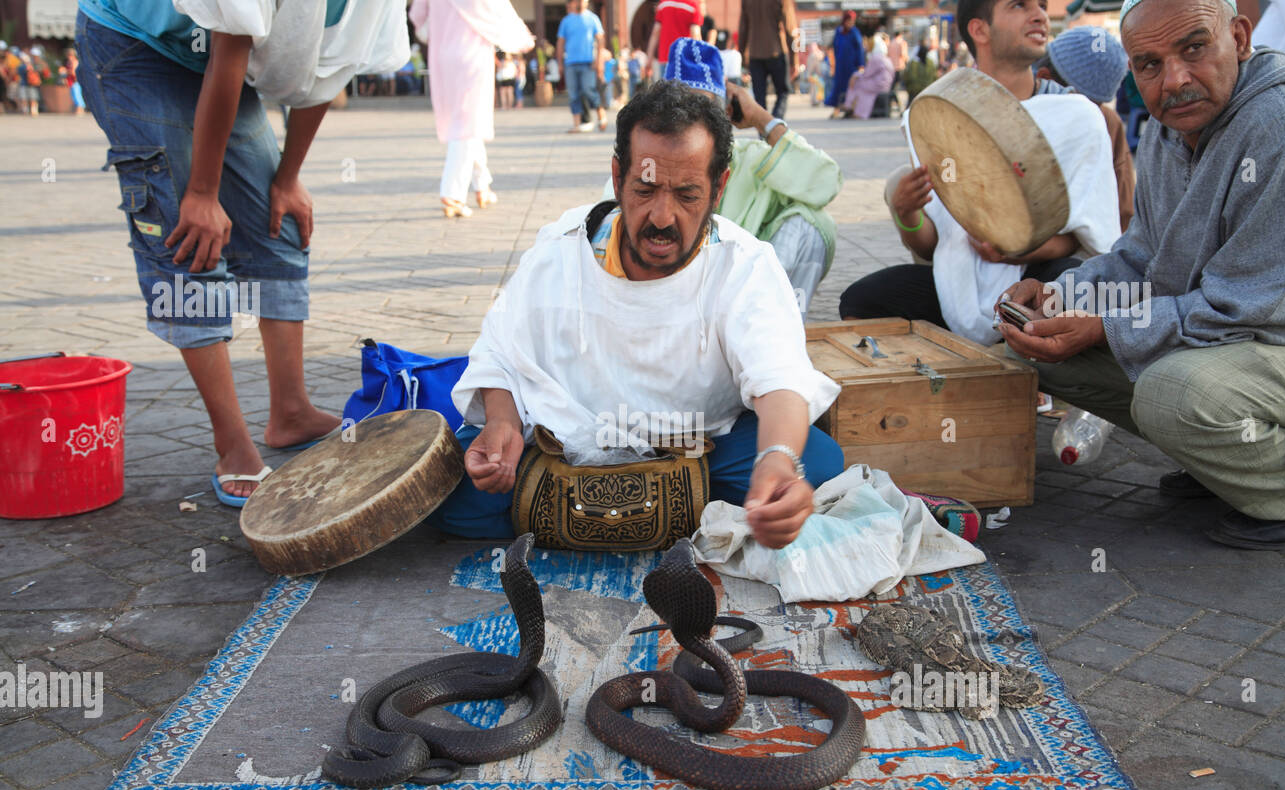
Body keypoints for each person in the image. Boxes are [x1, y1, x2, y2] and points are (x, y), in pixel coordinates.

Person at [429, 79, 844, 550]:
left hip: (695, 448)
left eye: (687, 194)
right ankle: (682, 513)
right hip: (562, 446)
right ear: (617, 175)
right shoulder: (561, 249)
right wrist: (502, 422)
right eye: (645, 189)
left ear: (718, 188)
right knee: (449, 489)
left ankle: (570, 513)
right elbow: (500, 352)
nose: (662, 217)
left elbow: (780, 380)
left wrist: (775, 459)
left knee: (817, 464)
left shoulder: (744, 264)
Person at [75, 0, 407, 506]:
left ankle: (290, 412)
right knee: (190, 243)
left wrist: (289, 177)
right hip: (135, 42)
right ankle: (232, 446)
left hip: (217, 57)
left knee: (279, 226)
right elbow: (230, 46)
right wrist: (203, 193)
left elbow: (328, 69)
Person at [999, 0, 1285, 550]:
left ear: (1238, 36)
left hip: (1281, 340)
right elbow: (1140, 259)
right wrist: (1058, 296)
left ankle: (1284, 492)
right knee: (1028, 349)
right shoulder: (1169, 132)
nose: (1176, 80)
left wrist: (1106, 327)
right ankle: (1225, 467)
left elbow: (1252, 308)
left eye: (1193, 48)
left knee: (1170, 392)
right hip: (1235, 343)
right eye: (1150, 64)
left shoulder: (1282, 126)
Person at [839, 0, 1120, 347]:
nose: (1040, 16)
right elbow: (932, 248)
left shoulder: (1076, 117)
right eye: (1019, 6)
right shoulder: (937, 114)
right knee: (861, 300)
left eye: (1042, 6)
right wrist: (906, 212)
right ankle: (948, 382)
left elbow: (1086, 240)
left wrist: (1015, 253)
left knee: (1071, 290)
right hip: (957, 285)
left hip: (1037, 277)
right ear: (979, 29)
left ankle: (1035, 380)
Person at [660, 38, 842, 319]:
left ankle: (776, 340)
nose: (691, 122)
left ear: (726, 112)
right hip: (671, 306)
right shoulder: (645, 166)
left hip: (744, 303)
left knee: (812, 225)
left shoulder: (749, 158)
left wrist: (760, 118)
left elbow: (826, 180)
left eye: (704, 109)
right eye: (680, 109)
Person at [413, 0, 532, 216]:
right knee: (468, 123)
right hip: (473, 55)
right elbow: (497, 9)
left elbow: (417, 14)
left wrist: (439, 26)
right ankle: (453, 194)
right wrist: (521, 37)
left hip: (442, 55)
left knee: (467, 121)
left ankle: (482, 185)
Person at [1033, 26, 1136, 230]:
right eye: (1083, 108)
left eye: (1095, 108)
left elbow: (1123, 211)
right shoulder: (1018, 115)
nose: (1091, 119)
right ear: (1045, 78)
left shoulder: (1108, 122)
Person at [738, 0, 798, 119]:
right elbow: (790, 29)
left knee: (759, 98)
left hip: (755, 54)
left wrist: (743, 57)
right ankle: (775, 125)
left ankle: (764, 131)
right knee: (783, 92)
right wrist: (794, 60)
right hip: (776, 51)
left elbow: (743, 29)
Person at [557, 0, 606, 132]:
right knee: (573, 94)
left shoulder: (593, 18)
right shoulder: (566, 21)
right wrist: (560, 63)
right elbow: (561, 43)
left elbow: (600, 41)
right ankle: (577, 124)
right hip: (570, 63)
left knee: (588, 90)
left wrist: (599, 60)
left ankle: (601, 115)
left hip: (588, 62)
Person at [649, 0, 703, 81]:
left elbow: (655, 33)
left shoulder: (663, 4)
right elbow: (695, 35)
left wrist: (649, 58)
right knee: (684, 91)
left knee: (664, 91)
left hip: (665, 58)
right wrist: (700, 59)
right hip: (684, 59)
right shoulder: (692, 5)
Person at [840, 40, 895, 118]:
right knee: (859, 83)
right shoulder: (885, 58)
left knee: (856, 83)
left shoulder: (876, 58)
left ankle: (850, 105)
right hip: (885, 85)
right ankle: (852, 106)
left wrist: (855, 75)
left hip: (878, 85)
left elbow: (867, 74)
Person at [826, 11, 864, 117]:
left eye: (853, 21)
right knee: (839, 87)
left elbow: (860, 49)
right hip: (840, 66)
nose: (851, 23)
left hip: (852, 66)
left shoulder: (855, 32)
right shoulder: (839, 31)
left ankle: (851, 109)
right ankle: (837, 109)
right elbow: (834, 47)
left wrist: (861, 65)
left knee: (851, 88)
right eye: (849, 21)